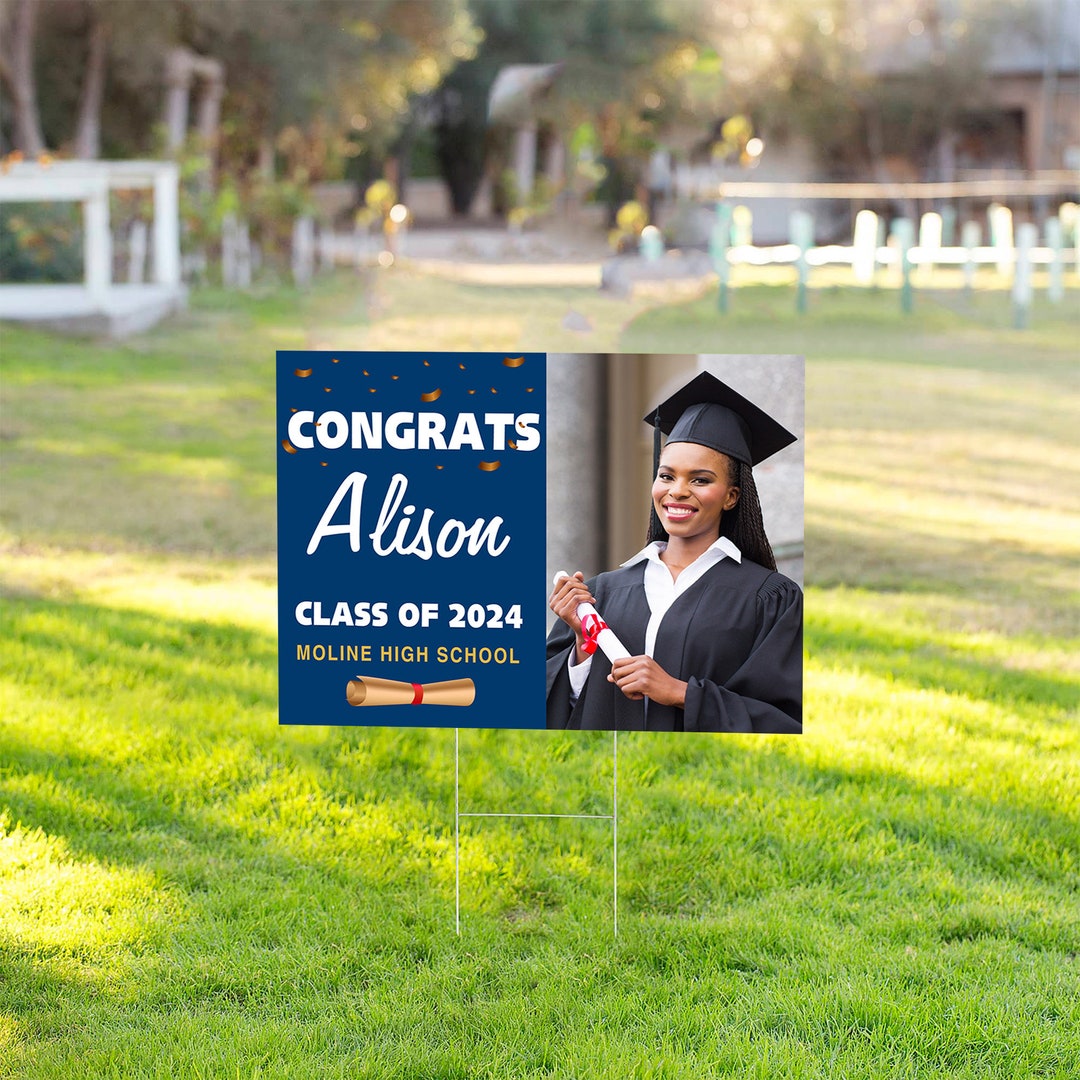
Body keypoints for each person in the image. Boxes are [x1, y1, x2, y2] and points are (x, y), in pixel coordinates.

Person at [546, 370, 802, 733]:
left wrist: (681, 693)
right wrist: (584, 647)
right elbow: (545, 710)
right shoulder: (602, 593)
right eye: (667, 476)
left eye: (700, 479)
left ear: (732, 496)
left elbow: (787, 722)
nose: (677, 491)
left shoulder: (770, 599)